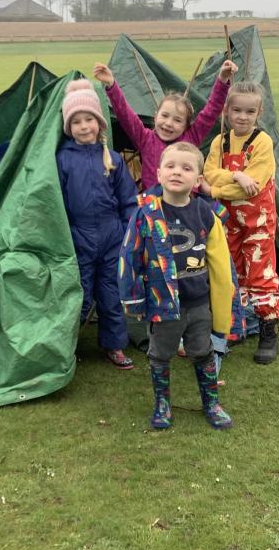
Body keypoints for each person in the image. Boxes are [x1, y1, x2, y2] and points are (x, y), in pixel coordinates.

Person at [119, 142, 238, 430]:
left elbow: (222, 263)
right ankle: (162, 404)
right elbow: (128, 255)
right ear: (158, 174)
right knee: (160, 354)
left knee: (203, 352)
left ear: (198, 180)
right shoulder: (146, 213)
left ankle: (211, 402)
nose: (177, 172)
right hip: (163, 305)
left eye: (186, 168)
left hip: (199, 303)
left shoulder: (204, 214)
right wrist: (132, 298)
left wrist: (227, 304)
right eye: (170, 166)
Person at [57, 79, 139, 369]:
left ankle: (115, 346)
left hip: (111, 237)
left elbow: (128, 200)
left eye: (88, 119)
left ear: (99, 123)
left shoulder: (113, 159)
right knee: (78, 295)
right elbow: (57, 202)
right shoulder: (63, 159)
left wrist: (128, 232)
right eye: (76, 121)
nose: (83, 126)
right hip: (79, 236)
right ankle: (67, 347)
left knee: (111, 294)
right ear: (69, 127)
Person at [204, 81, 279, 364]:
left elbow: (255, 185)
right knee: (232, 274)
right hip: (228, 221)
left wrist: (215, 190)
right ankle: (236, 328)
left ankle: (269, 332)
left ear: (258, 113)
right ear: (226, 111)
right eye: (237, 110)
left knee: (260, 274)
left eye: (249, 111)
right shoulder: (219, 142)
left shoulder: (262, 142)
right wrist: (236, 176)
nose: (242, 116)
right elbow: (209, 172)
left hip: (257, 222)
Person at [93, 60, 237, 190]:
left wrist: (222, 80)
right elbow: (125, 114)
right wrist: (112, 85)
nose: (169, 123)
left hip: (185, 205)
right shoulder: (146, 139)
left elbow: (211, 111)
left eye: (177, 120)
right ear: (156, 117)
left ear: (186, 126)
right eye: (165, 116)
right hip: (155, 206)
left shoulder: (191, 138)